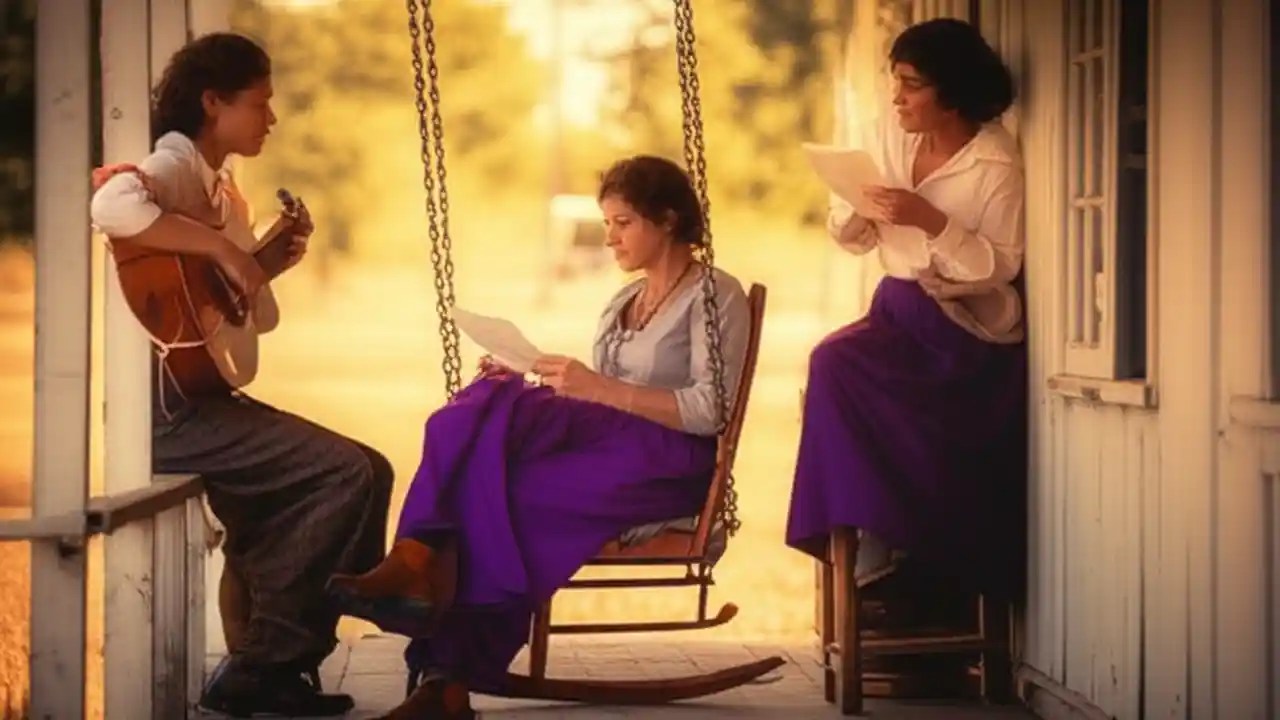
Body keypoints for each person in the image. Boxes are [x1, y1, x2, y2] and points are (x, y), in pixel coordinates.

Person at [326, 155, 752, 719]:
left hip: (670, 462)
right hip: (611, 451)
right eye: (608, 224)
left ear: (668, 220)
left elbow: (709, 410)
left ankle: (416, 561)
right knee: (494, 469)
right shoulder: (621, 303)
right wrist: (537, 373)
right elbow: (592, 397)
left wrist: (596, 387)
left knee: (469, 417)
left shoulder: (714, 294)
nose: (609, 239)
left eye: (622, 223)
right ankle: (444, 680)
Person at [89, 32, 392, 717]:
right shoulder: (169, 168)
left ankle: (282, 653)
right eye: (261, 104)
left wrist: (262, 262)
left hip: (206, 399)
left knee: (369, 467)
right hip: (164, 412)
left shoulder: (226, 194)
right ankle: (267, 663)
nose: (271, 119)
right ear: (212, 102)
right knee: (346, 472)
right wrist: (224, 253)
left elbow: (242, 323)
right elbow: (109, 208)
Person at [786, 18, 1028, 599]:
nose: (897, 97)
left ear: (952, 92)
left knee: (838, 367)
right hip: (895, 314)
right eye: (895, 81)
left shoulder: (994, 163)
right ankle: (870, 534)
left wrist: (931, 221)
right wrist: (860, 210)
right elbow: (850, 238)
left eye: (912, 85)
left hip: (962, 332)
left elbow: (1001, 268)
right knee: (831, 363)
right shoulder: (889, 137)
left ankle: (901, 541)